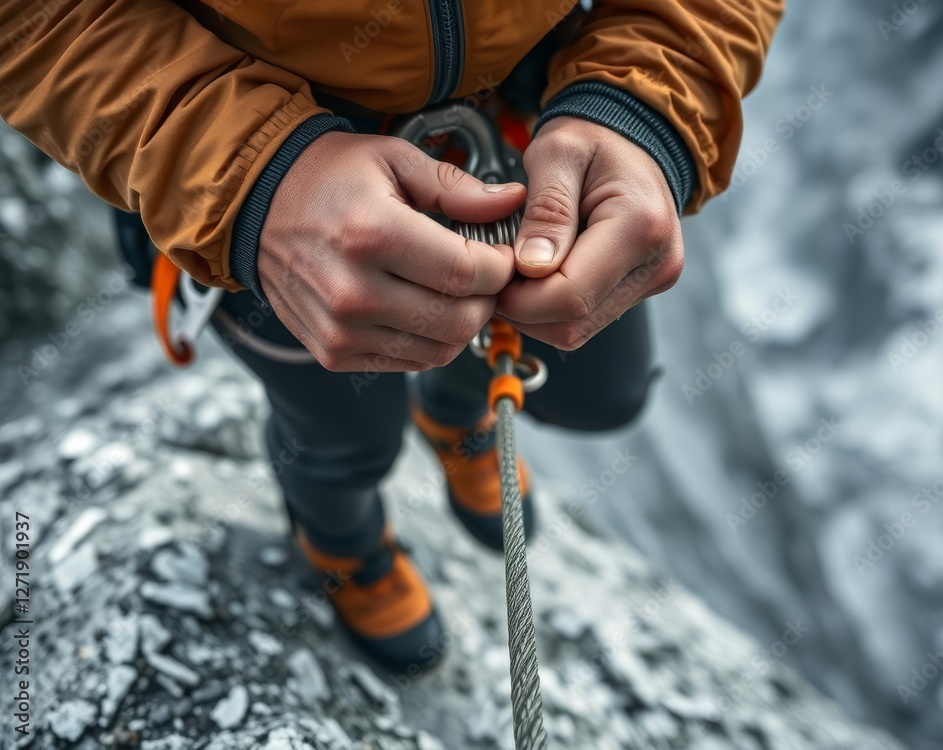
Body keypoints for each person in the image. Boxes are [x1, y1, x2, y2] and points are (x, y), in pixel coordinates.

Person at [0, 0, 783, 669]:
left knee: (598, 389)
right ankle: (346, 552)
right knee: (345, 437)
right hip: (282, 159)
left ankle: (457, 416)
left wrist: (650, 95)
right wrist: (249, 174)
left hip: (537, 104)